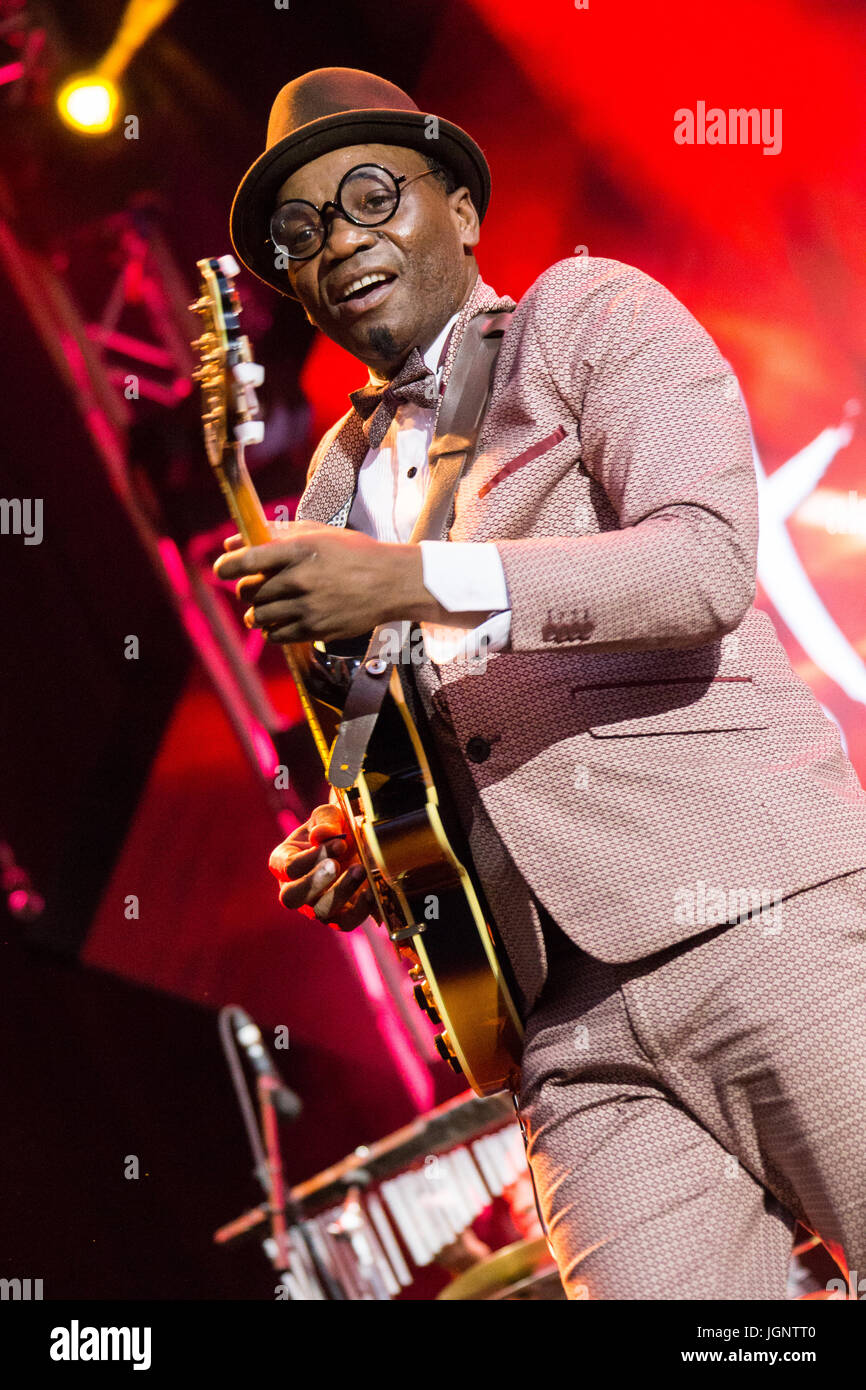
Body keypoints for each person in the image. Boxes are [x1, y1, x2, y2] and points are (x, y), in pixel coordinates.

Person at [216, 67, 866, 1299]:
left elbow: (704, 562)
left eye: (367, 196)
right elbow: (417, 751)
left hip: (756, 919)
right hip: (554, 1027)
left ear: (459, 209)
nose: (337, 241)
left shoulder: (586, 315)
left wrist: (414, 577)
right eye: (299, 235)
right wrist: (360, 841)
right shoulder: (328, 490)